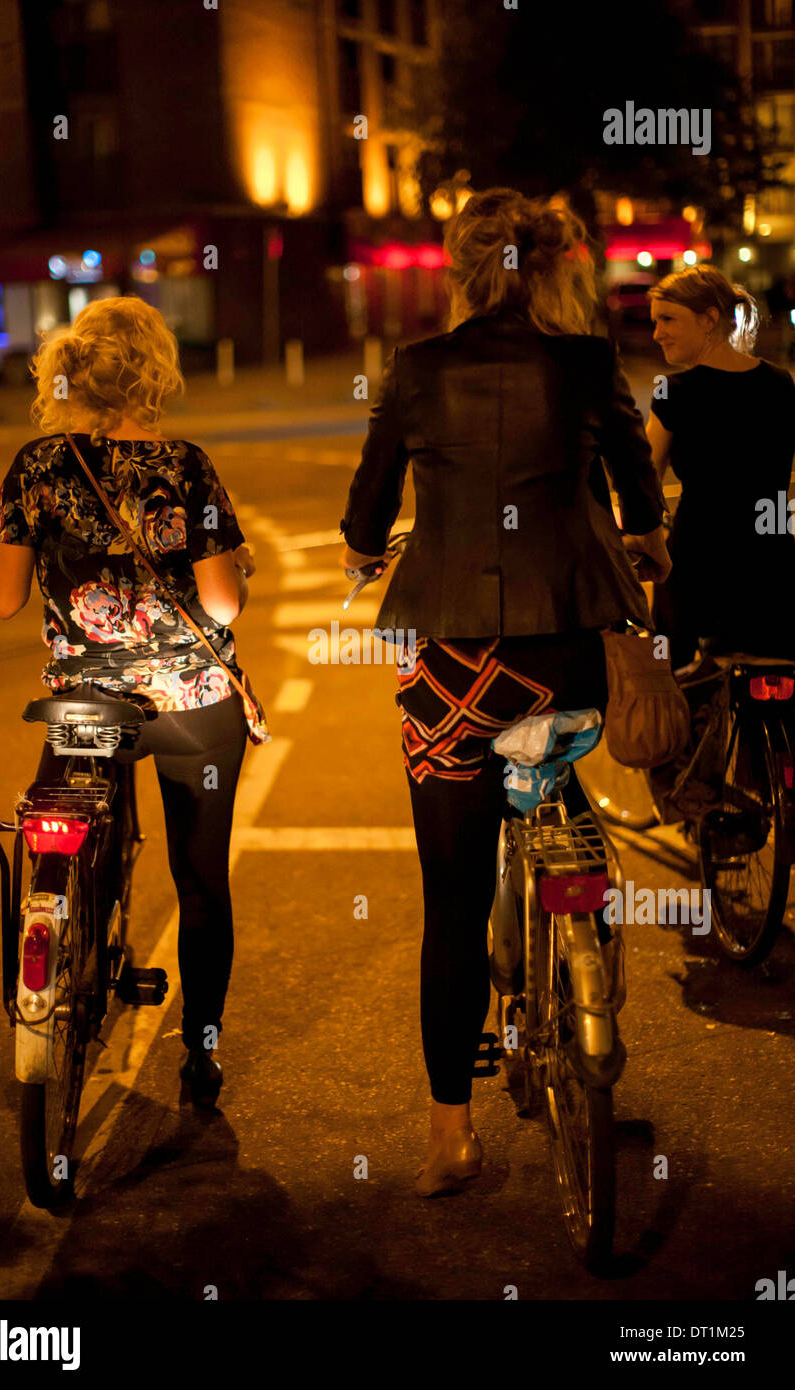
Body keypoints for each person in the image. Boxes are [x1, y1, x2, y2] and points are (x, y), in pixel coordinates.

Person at [340, 188, 671, 1197]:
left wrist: (362, 553)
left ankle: (448, 1132)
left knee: (450, 898)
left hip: (452, 672)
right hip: (567, 646)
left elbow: (367, 503)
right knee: (560, 776)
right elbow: (632, 481)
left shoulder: (415, 370)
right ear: (552, 265)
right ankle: (583, 940)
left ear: (460, 268)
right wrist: (644, 540)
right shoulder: (581, 363)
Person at [0, 295, 257, 1108]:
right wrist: (236, 569)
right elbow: (223, 608)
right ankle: (200, 1054)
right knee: (202, 881)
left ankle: (64, 935)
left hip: (85, 704)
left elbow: (1, 601)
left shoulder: (36, 465)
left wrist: (2, 552)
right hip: (188, 702)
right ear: (154, 372)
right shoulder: (188, 465)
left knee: (59, 835)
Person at [646, 263, 795, 670]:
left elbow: (643, 479)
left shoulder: (673, 391)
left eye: (668, 319)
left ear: (709, 319)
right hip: (772, 563)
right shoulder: (781, 383)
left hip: (696, 565)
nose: (657, 333)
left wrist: (639, 536)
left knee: (673, 685)